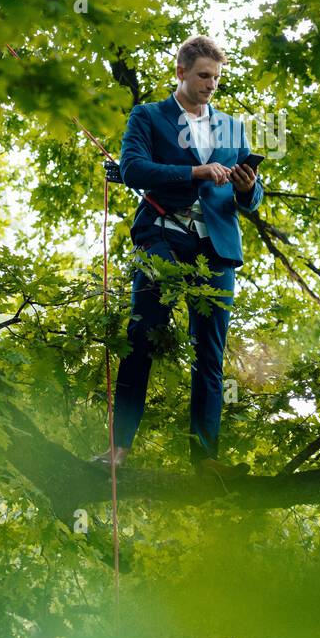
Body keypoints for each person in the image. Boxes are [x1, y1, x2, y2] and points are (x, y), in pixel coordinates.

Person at [93, 36, 263, 480]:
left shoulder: (231, 128)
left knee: (211, 352)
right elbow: (132, 169)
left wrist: (247, 188)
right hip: (162, 238)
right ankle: (117, 449)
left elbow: (253, 198)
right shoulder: (148, 116)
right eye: (204, 75)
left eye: (216, 78)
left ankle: (205, 459)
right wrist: (195, 171)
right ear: (181, 72)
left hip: (217, 249)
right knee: (142, 337)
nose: (211, 85)